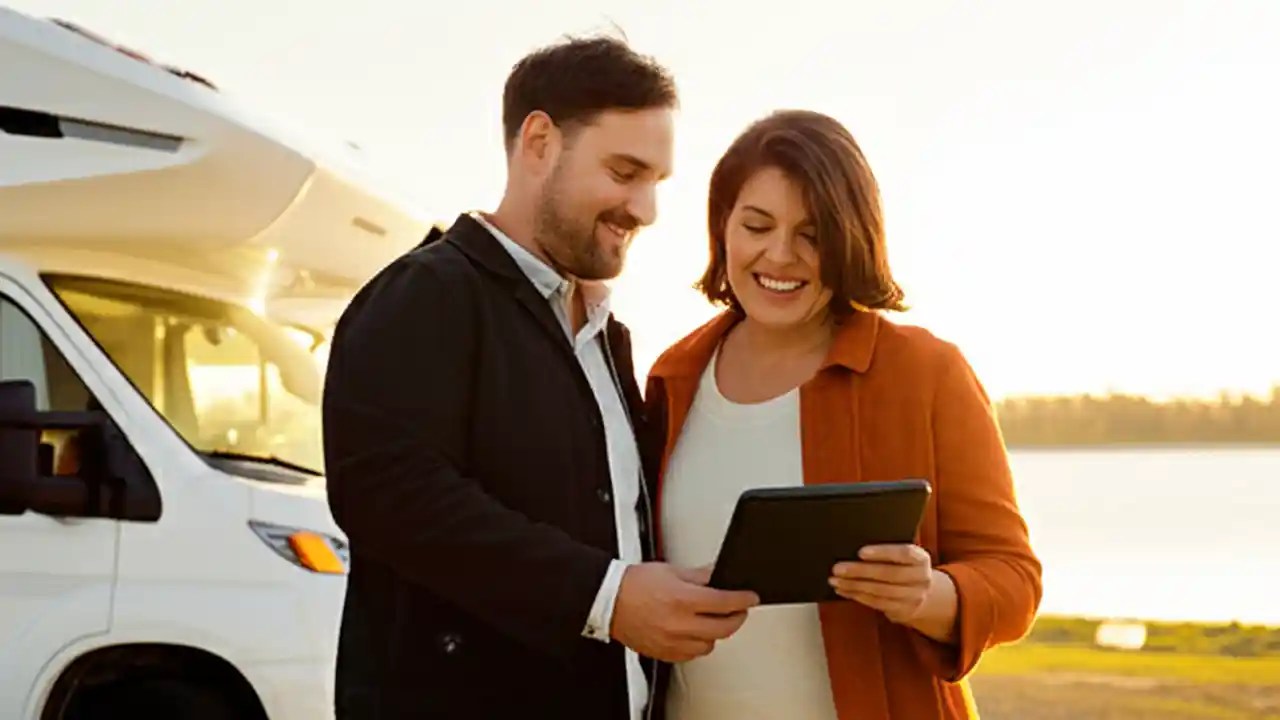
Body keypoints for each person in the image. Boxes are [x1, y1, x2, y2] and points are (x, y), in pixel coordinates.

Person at [322, 36, 759, 720]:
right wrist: (606, 599)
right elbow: (389, 496)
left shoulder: (607, 338)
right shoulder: (422, 294)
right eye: (623, 172)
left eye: (655, 183)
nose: (644, 209)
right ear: (539, 142)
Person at [643, 109, 1043, 719]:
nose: (781, 255)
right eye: (757, 225)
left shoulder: (927, 373)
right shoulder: (672, 378)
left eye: (813, 234)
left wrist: (929, 594)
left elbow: (1014, 579)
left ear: (852, 238)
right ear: (722, 227)